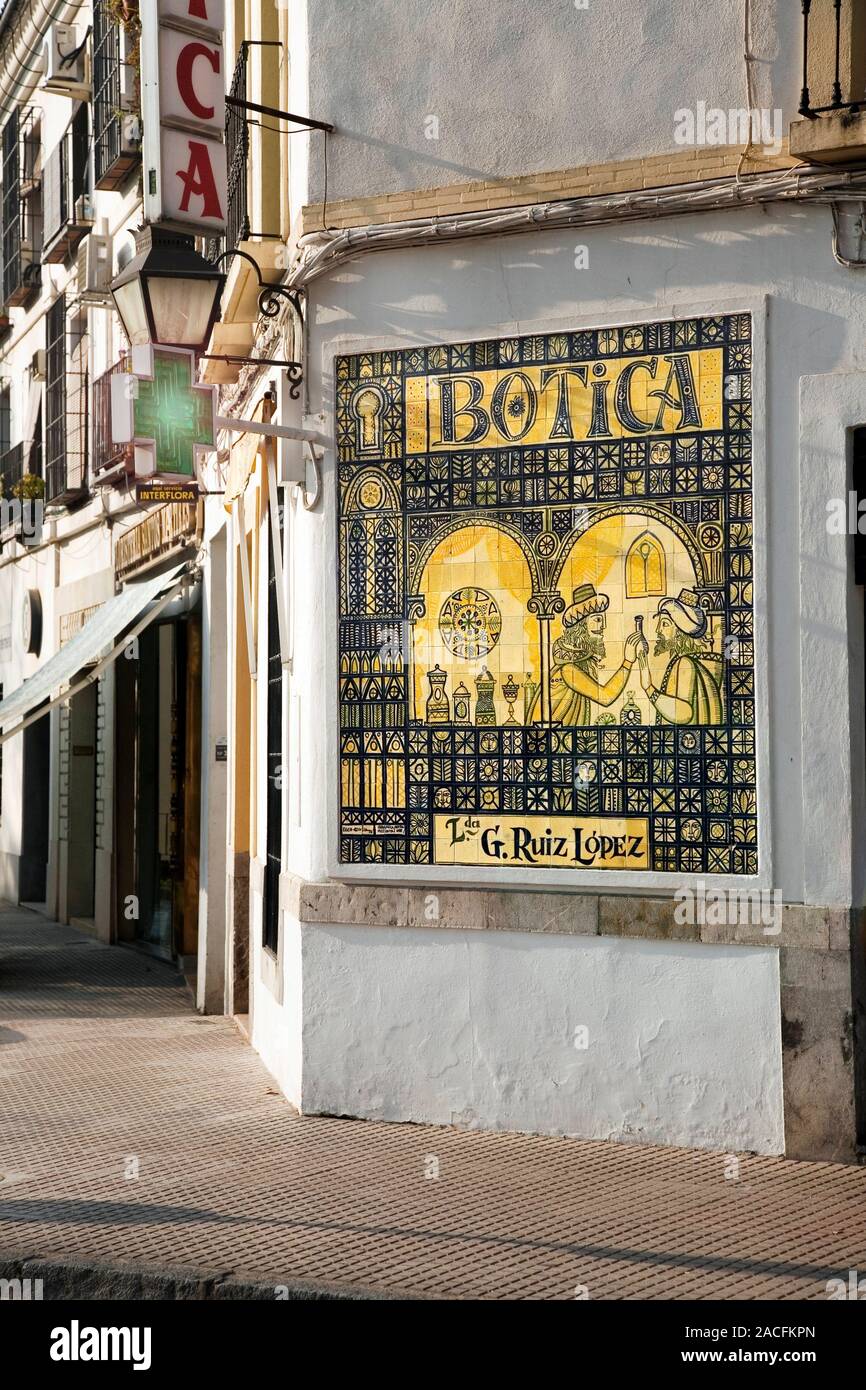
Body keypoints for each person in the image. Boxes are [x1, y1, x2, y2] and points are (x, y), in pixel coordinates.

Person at [529, 583, 644, 725]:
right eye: (597, 619)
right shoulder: (568, 669)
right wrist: (628, 661)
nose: (603, 626)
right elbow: (605, 697)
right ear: (581, 627)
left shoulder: (576, 661)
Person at [637, 588, 724, 725]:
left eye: (665, 624)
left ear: (679, 632)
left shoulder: (685, 663)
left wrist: (649, 688)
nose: (658, 630)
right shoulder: (689, 660)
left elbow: (684, 713)